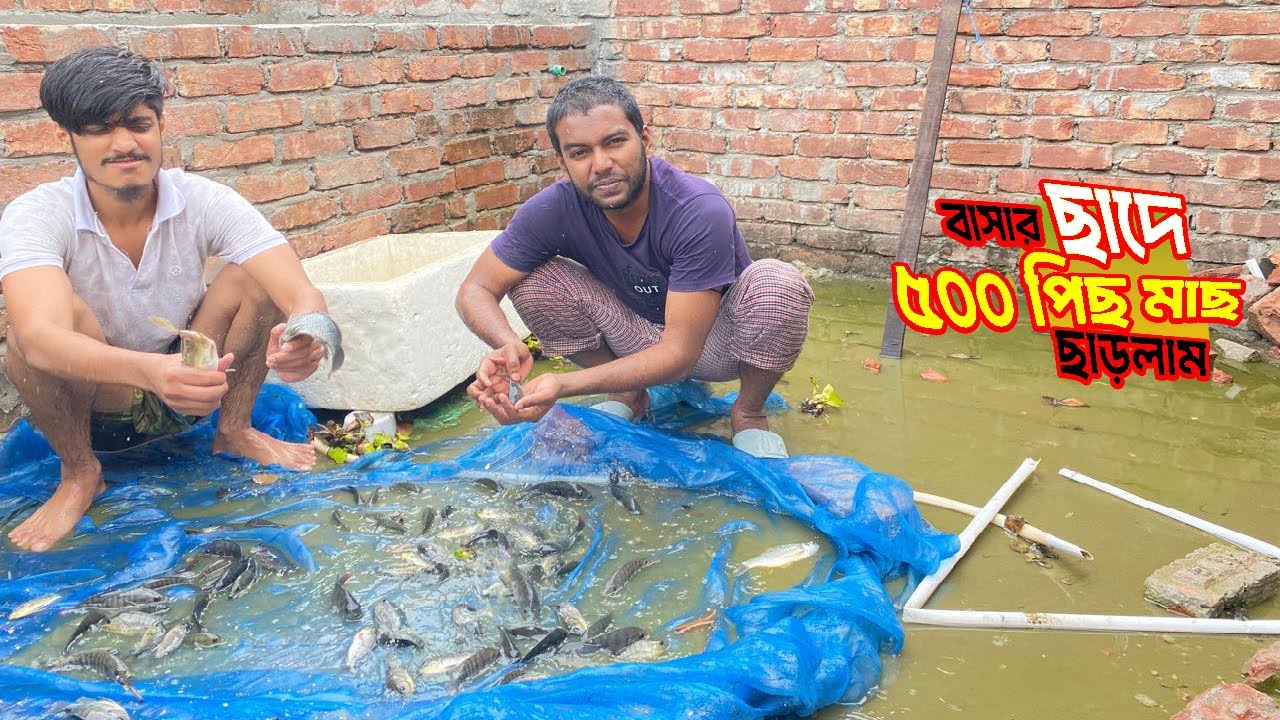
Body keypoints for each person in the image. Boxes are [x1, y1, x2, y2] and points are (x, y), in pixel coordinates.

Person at [0, 47, 332, 551]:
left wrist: (310, 330)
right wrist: (152, 373)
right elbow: (40, 339)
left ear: (160, 125)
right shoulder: (37, 214)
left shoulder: (203, 199)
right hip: (99, 405)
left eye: (138, 123)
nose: (124, 143)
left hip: (197, 386)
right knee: (30, 333)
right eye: (97, 129)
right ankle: (80, 473)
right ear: (66, 136)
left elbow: (297, 287)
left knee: (256, 276)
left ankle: (235, 431)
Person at [456, 75, 813, 457]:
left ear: (645, 140)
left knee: (778, 284)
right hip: (631, 334)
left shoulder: (696, 208)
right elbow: (474, 290)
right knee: (534, 280)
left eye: (614, 142)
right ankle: (627, 391)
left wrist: (564, 385)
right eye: (580, 153)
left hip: (713, 341)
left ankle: (749, 411)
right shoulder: (554, 207)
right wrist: (508, 345)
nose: (601, 164)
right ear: (563, 163)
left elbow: (679, 355)